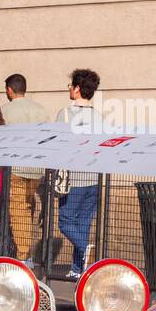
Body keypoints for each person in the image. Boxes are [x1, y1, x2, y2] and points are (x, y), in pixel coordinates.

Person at [53, 68, 103, 280]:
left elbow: (56, 144)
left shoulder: (64, 114)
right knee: (83, 223)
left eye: (70, 86)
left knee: (65, 222)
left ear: (77, 89)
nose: (69, 90)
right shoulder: (99, 118)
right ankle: (77, 268)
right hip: (94, 177)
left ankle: (86, 255)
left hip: (73, 178)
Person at [0, 73, 48, 264]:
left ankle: (23, 256)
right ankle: (25, 250)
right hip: (36, 167)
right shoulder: (41, 110)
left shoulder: (5, 111)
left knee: (18, 210)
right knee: (27, 207)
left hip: (16, 168)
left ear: (9, 90)